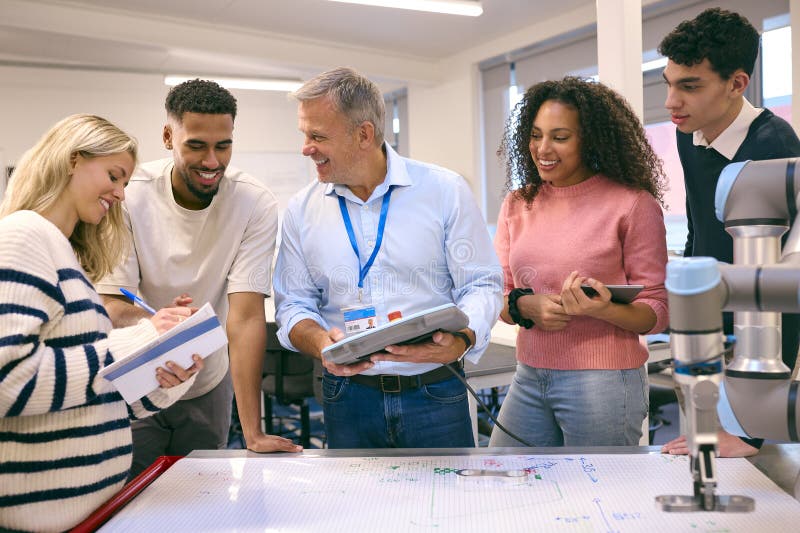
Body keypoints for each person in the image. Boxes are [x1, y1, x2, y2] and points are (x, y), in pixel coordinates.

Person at [273, 67, 503, 448]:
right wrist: (320, 343)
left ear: (364, 134)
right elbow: (293, 304)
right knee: (358, 506)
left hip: (434, 390)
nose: (305, 148)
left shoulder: (444, 191)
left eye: (318, 136)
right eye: (305, 135)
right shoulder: (301, 209)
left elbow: (482, 283)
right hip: (346, 395)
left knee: (447, 505)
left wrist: (463, 337)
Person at [0, 114, 204, 532]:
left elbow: (94, 400)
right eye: (114, 176)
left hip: (89, 512)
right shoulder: (24, 236)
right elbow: (8, 380)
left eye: (126, 182)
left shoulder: (68, 258)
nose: (121, 194)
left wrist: (162, 376)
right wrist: (138, 342)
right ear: (73, 159)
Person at [97, 79, 300, 477]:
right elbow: (112, 303)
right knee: (131, 497)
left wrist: (254, 432)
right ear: (168, 136)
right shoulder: (130, 195)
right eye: (196, 145)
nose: (212, 160)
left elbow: (244, 317)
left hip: (209, 380)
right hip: (141, 372)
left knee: (203, 498)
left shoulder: (253, 201)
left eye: (223, 145)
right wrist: (159, 326)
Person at [489, 77, 669, 448]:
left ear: (591, 140)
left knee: (599, 497)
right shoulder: (518, 203)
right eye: (536, 135)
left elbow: (657, 310)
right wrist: (526, 305)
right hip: (529, 374)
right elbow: (499, 292)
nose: (542, 148)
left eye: (559, 137)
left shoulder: (632, 205)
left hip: (602, 380)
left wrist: (602, 310)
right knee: (505, 483)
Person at [658, 7, 800, 458]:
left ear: (737, 84)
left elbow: (781, 291)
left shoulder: (773, 149)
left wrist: (749, 431)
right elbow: (699, 226)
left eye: (689, 86)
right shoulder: (690, 132)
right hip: (715, 318)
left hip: (766, 333)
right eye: (669, 83)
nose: (670, 102)